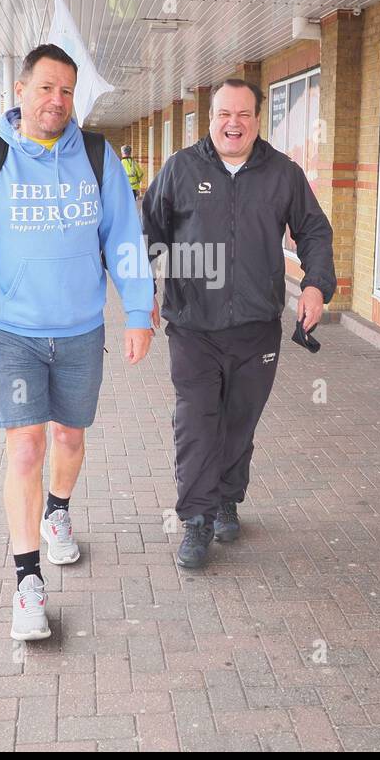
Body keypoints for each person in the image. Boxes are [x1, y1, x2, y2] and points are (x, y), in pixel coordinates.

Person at [0, 43, 154, 641]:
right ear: (20, 91)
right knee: (26, 448)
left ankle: (58, 511)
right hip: (13, 333)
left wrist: (139, 311)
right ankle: (28, 584)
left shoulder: (97, 155)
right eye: (46, 88)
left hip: (83, 328)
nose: (56, 101)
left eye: (67, 91)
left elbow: (124, 236)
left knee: (70, 438)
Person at [143, 78, 335, 569]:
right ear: (211, 119)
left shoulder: (282, 174)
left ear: (257, 119)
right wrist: (141, 293)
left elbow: (313, 230)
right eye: (225, 113)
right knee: (196, 422)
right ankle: (196, 519)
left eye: (244, 114)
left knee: (239, 421)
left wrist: (315, 285)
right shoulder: (181, 169)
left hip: (256, 326)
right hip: (192, 325)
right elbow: (147, 233)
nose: (234, 123)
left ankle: (228, 498)